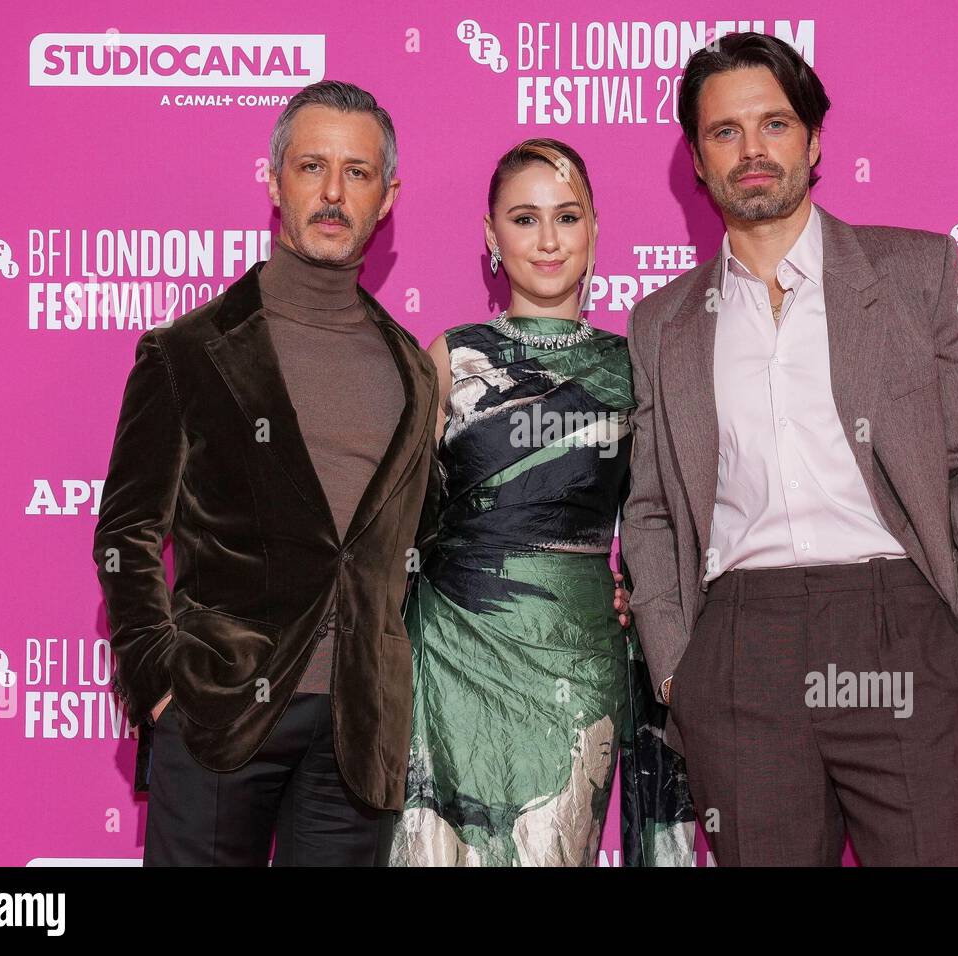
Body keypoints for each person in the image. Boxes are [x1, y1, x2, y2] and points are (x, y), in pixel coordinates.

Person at [621, 33, 958, 866]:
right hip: (739, 644)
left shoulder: (917, 272)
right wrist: (679, 670)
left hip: (902, 627)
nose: (752, 150)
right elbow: (649, 510)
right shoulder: (661, 323)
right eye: (724, 131)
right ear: (698, 161)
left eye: (774, 124)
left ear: (814, 141)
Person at [92, 80, 439, 865]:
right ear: (275, 179)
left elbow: (423, 536)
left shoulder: (412, 370)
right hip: (219, 716)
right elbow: (126, 531)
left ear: (387, 197)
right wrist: (160, 684)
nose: (332, 191)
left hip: (356, 733)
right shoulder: (187, 352)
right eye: (311, 165)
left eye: (357, 172)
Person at [388, 139, 696, 866]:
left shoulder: (633, 366)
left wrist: (640, 591)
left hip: (576, 654)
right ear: (492, 236)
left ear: (596, 228)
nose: (549, 240)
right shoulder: (451, 357)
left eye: (567, 217)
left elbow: (665, 516)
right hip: (450, 649)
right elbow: (399, 517)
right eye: (524, 220)